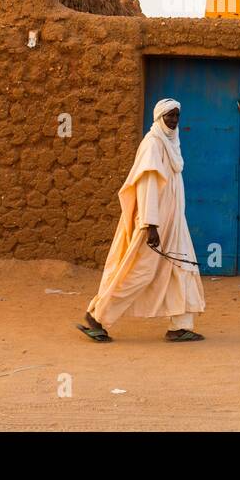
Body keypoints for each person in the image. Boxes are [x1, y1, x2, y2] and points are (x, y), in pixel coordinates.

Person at [77, 98, 206, 342]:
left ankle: (180, 325)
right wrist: (150, 225)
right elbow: (147, 186)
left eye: (177, 116)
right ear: (159, 118)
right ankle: (98, 317)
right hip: (154, 226)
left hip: (174, 224)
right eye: (169, 116)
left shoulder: (171, 144)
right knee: (140, 272)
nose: (174, 120)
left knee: (182, 268)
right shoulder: (153, 144)